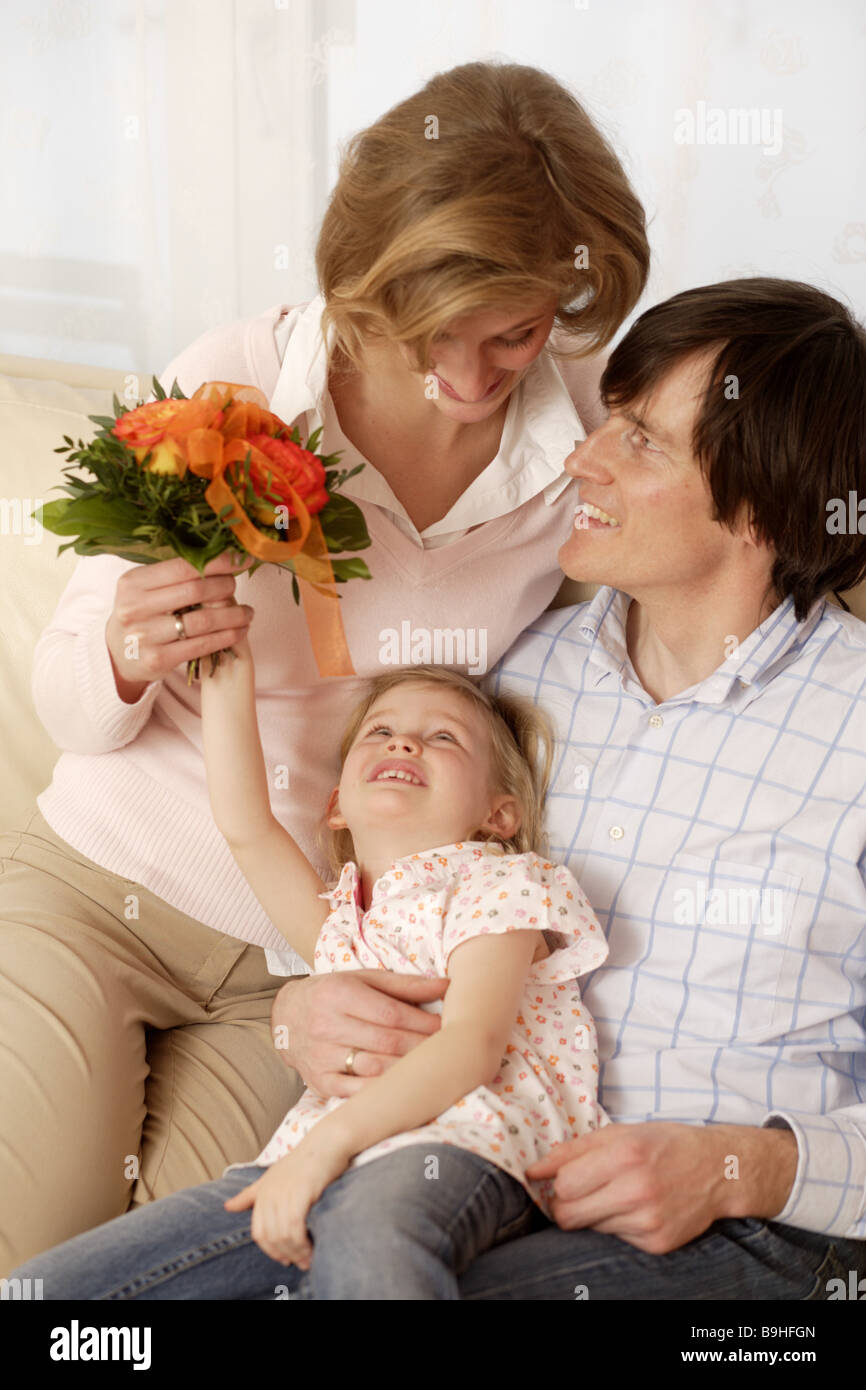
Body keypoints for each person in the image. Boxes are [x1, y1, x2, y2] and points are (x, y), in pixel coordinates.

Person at [0, 59, 648, 1276]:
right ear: (367, 282)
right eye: (432, 335)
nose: (466, 383)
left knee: (178, 1276)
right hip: (99, 889)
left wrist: (311, 990)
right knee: (28, 1244)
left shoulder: (579, 441)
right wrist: (128, 648)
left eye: (510, 336)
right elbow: (70, 708)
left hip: (312, 951)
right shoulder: (238, 384)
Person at [273, 276, 866, 1299]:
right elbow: (380, 909)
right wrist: (300, 1010)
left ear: (761, 510)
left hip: (753, 1241)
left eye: (637, 440)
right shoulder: (515, 674)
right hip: (478, 1174)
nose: (578, 456)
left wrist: (743, 1165)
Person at [9, 658, 611, 1298]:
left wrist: (325, 1147)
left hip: (466, 1144)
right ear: (336, 807)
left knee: (373, 1236)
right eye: (380, 732)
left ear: (500, 816)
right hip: (318, 1162)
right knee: (50, 1288)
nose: (403, 742)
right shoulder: (340, 925)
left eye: (443, 737)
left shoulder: (498, 883)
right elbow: (246, 826)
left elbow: (472, 1047)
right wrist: (227, 662)